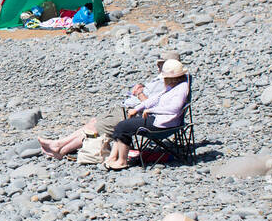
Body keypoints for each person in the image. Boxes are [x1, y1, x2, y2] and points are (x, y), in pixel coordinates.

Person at [38, 52, 182, 158]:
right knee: (93, 122)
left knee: (94, 128)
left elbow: (153, 106)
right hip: (125, 109)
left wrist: (139, 94)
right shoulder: (168, 81)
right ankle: (60, 146)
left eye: (162, 64)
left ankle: (60, 148)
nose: (159, 67)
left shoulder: (168, 83)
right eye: (159, 64)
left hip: (132, 114)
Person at [103, 59, 189, 169]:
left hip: (164, 125)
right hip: (159, 120)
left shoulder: (181, 88)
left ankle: (122, 161)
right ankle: (112, 158)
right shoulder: (173, 86)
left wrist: (152, 110)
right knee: (122, 124)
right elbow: (154, 99)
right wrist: (137, 108)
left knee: (123, 127)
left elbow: (174, 109)